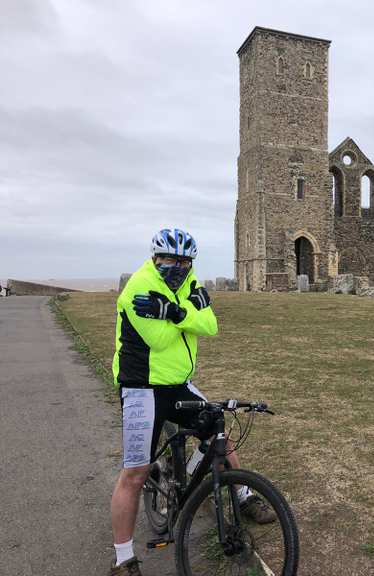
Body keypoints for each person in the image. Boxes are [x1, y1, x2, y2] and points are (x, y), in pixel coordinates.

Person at [109, 228, 273, 576]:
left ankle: (243, 496)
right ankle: (123, 557)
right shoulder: (140, 287)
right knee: (135, 473)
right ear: (156, 258)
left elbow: (210, 325)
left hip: (179, 383)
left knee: (219, 431)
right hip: (141, 386)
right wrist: (188, 316)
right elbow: (160, 339)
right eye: (170, 259)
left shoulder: (188, 282)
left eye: (185, 260)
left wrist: (175, 311)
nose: (178, 266)